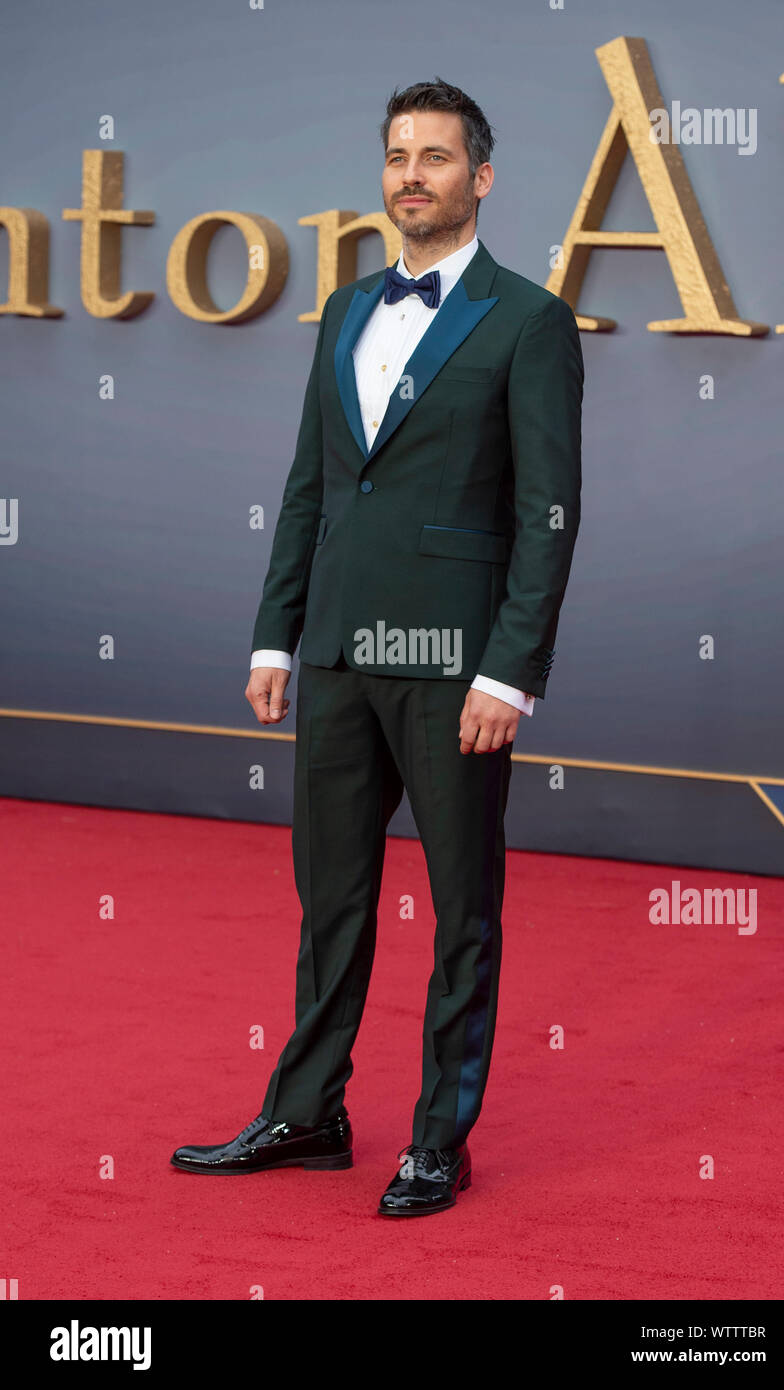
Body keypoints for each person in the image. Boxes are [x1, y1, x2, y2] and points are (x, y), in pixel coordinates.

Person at [171, 76, 584, 1217]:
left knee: (463, 910)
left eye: (436, 157)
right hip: (343, 660)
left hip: (458, 671)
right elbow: (310, 485)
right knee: (331, 899)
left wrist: (511, 668)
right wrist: (276, 636)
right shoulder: (346, 310)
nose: (412, 174)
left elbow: (552, 508)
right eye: (398, 154)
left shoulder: (530, 322)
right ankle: (308, 1111)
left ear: (480, 177)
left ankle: (439, 1138)